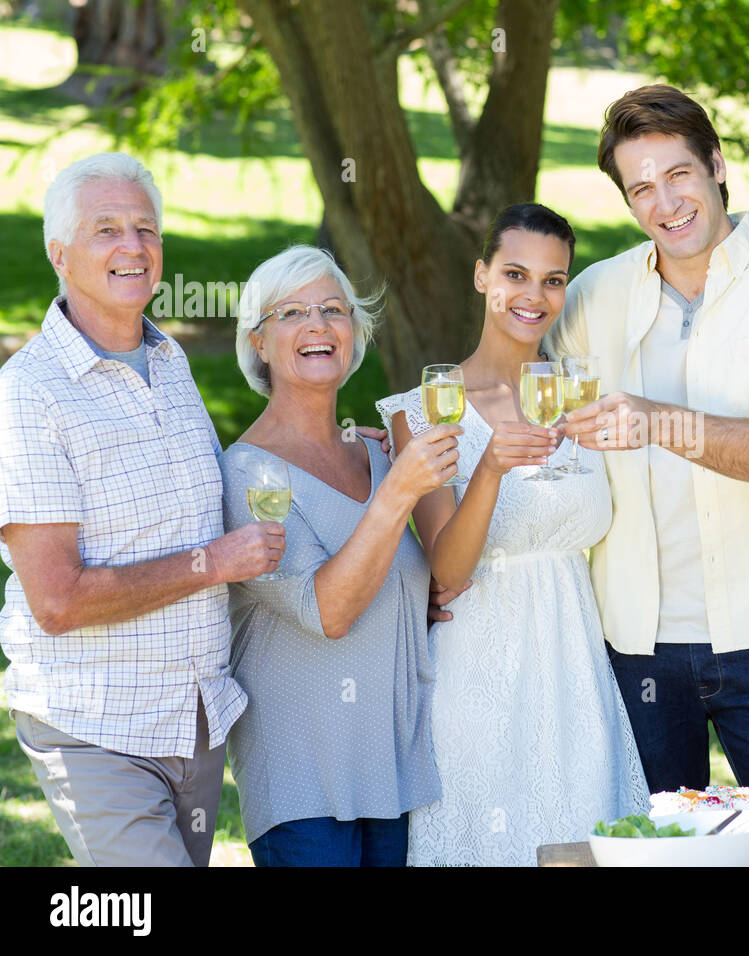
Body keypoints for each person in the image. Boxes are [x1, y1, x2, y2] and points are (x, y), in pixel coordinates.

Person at [549, 86, 749, 831]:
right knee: (646, 853)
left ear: (715, 165)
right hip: (632, 641)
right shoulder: (593, 297)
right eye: (641, 187)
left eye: (678, 174)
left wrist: (660, 422)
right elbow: (537, 421)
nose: (665, 203)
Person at [0, 153, 282, 866]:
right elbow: (57, 600)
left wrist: (336, 449)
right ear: (60, 254)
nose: (133, 247)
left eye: (145, 229)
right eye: (106, 230)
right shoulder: (27, 396)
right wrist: (211, 565)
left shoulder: (169, 361)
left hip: (191, 718)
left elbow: (194, 500)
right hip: (94, 725)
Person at [379, 203, 650, 866]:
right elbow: (447, 570)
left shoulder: (582, 397)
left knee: (581, 848)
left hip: (576, 675)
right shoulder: (426, 411)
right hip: (478, 678)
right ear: (482, 276)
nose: (534, 296)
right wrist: (492, 468)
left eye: (554, 280)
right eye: (516, 274)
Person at [219, 245, 461, 866]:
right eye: (292, 313)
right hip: (303, 788)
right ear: (259, 343)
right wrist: (402, 491)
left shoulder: (378, 456)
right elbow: (327, 611)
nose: (317, 326)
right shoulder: (247, 473)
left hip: (393, 775)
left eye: (333, 309)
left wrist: (421, 598)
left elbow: (402, 577)